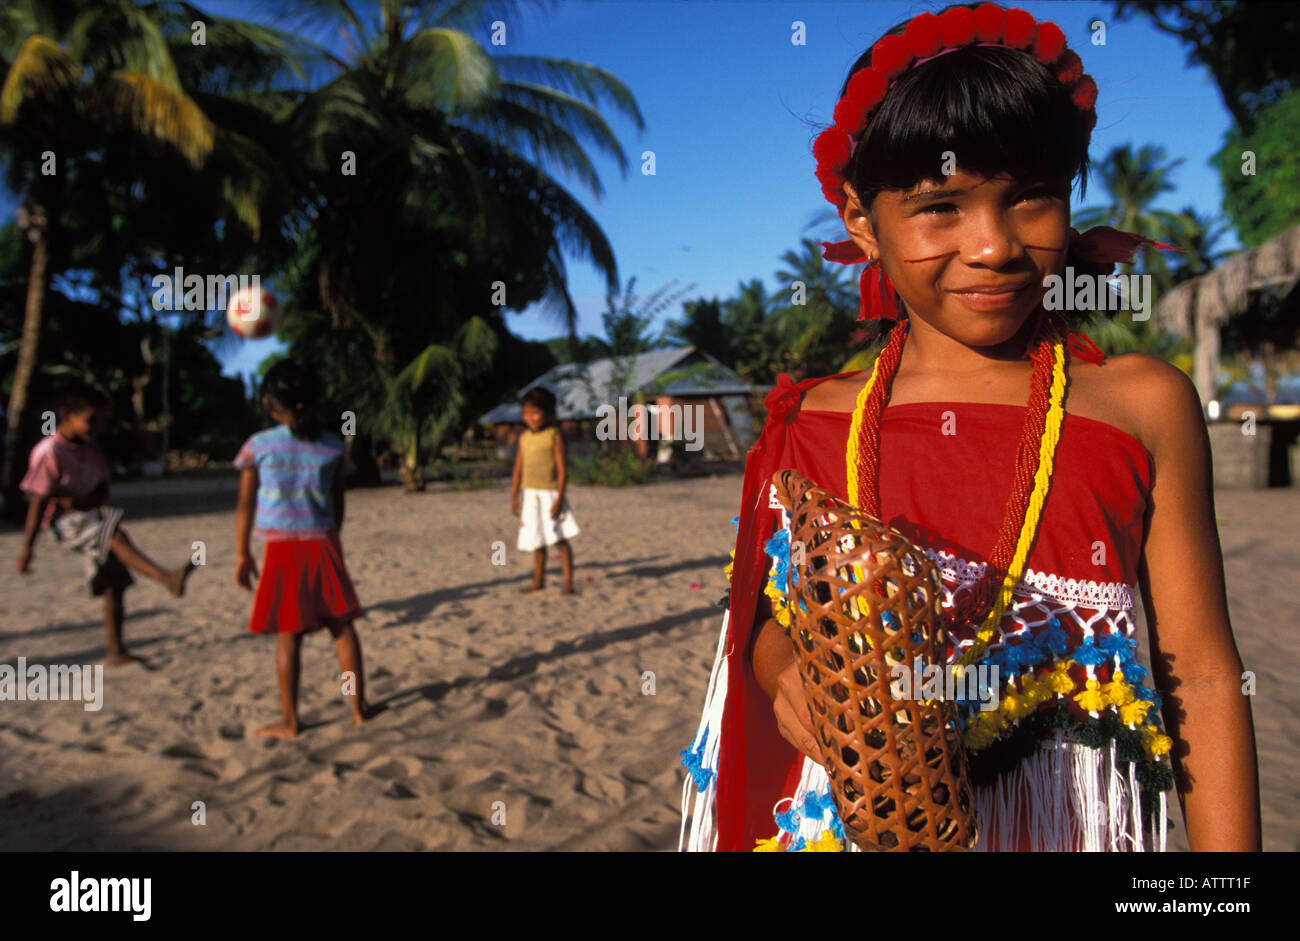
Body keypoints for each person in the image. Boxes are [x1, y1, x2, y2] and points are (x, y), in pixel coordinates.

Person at [680, 2, 1259, 852]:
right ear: (860, 221)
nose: (993, 245)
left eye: (1031, 197)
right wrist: (785, 670)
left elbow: (1203, 674)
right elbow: (769, 620)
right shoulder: (812, 424)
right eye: (940, 206)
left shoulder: (1143, 405)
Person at [233, 359, 373, 738]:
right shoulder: (332, 446)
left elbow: (245, 503)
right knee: (342, 629)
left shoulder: (259, 446)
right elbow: (339, 502)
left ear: (269, 404)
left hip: (281, 549)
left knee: (288, 635)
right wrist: (332, 535)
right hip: (324, 543)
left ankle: (290, 719)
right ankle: (357, 708)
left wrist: (243, 552)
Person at [16, 382, 196, 665]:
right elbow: (39, 500)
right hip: (67, 525)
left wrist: (82, 499)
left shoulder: (92, 450)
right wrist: (28, 548)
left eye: (101, 421)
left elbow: (101, 490)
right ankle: (166, 578)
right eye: (91, 420)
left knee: (114, 580)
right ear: (67, 416)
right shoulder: (50, 451)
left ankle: (116, 651)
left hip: (89, 516)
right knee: (115, 535)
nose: (97, 427)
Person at [510, 386, 578, 593]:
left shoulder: (553, 435)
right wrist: (514, 496)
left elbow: (563, 470)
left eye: (535, 413)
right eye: (525, 413)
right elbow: (518, 468)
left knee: (558, 539)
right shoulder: (524, 437)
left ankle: (568, 581)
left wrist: (559, 500)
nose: (529, 418)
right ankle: (538, 581)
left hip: (550, 494)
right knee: (536, 540)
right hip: (530, 494)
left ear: (547, 413)